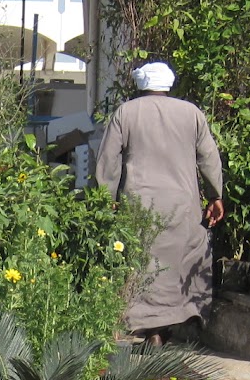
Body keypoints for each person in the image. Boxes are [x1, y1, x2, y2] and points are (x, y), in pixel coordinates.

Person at [93, 60, 223, 343]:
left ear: (141, 85)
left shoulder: (126, 113)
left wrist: (107, 200)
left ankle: (150, 329)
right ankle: (176, 325)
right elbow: (209, 158)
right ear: (168, 85)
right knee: (182, 262)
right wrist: (215, 195)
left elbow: (108, 162)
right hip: (182, 206)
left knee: (144, 265)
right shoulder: (191, 113)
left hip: (139, 206)